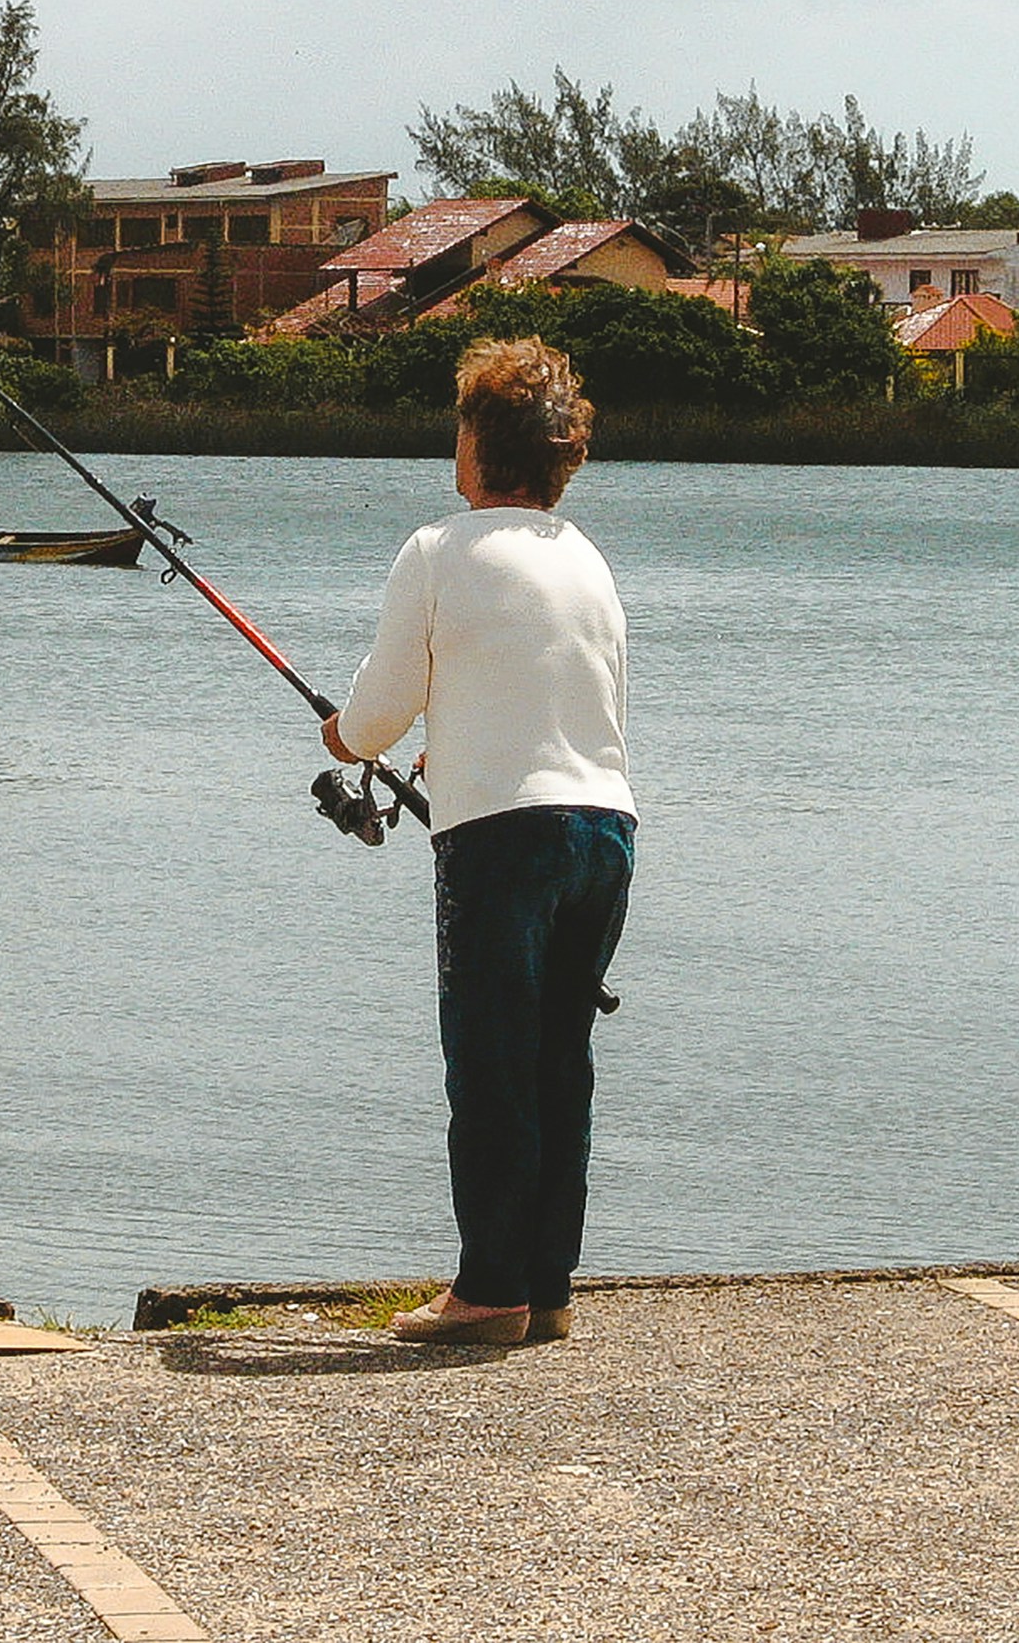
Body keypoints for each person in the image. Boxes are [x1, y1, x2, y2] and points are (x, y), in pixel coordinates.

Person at [320, 337, 634, 1348]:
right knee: (558, 1063)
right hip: (606, 831)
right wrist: (441, 758)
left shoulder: (437, 549)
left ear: (476, 447)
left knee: (490, 1066)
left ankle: (487, 1288)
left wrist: (344, 737)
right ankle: (546, 1286)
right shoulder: (586, 557)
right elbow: (553, 697)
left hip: (503, 844)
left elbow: (372, 716)